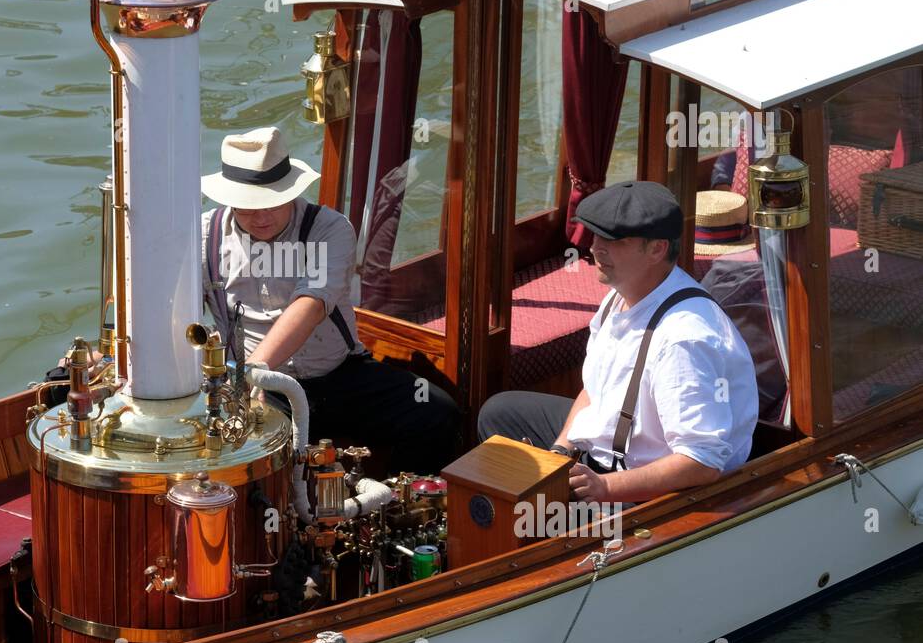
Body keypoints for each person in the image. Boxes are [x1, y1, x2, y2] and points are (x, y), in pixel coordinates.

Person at [201, 127, 461, 477]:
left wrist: (257, 369)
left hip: (338, 377)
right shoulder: (204, 238)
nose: (261, 217)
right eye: (249, 207)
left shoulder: (329, 228)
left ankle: (396, 509)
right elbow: (170, 314)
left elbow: (311, 303)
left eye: (272, 202)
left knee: (435, 410)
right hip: (259, 390)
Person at [476, 182, 758, 503]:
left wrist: (605, 488)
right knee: (499, 415)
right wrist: (560, 451)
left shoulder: (684, 339)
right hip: (611, 457)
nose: (595, 248)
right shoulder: (620, 296)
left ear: (657, 249)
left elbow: (702, 462)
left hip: (656, 489)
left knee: (537, 520)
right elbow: (595, 390)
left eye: (613, 240)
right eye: (596, 236)